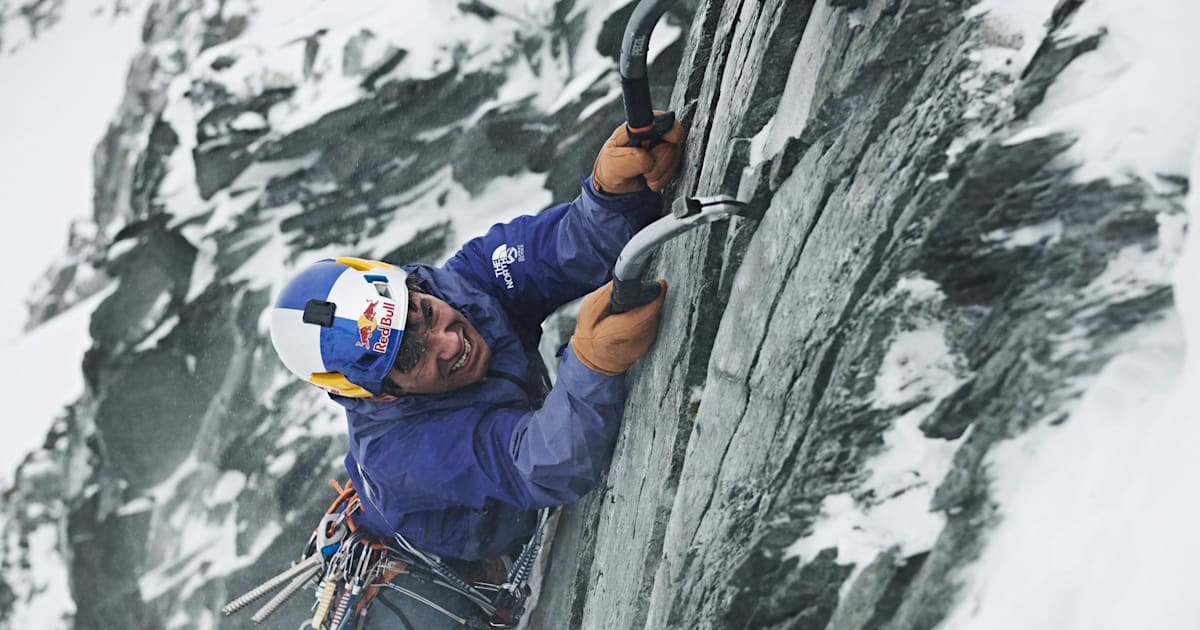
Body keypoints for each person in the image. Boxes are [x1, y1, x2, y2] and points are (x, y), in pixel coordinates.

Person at [266, 117, 685, 627]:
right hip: (443, 570)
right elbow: (546, 463)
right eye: (409, 357)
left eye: (419, 311)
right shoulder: (403, 450)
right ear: (380, 395)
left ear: (411, 285)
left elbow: (565, 246)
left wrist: (613, 194)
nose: (449, 341)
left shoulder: (463, 282)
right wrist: (591, 363)